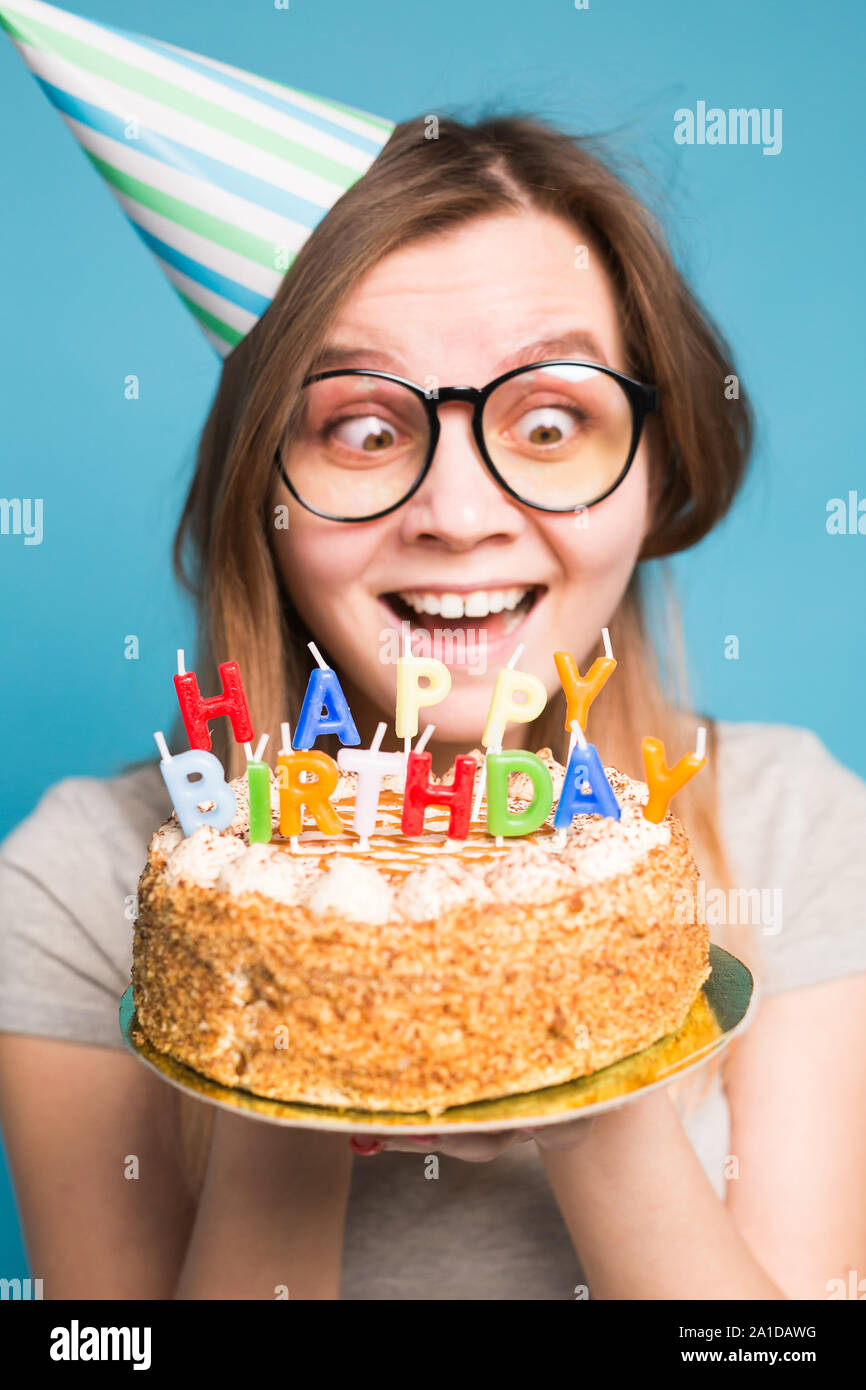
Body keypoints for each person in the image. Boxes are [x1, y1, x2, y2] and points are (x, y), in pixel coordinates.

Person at [1, 116, 865, 1302]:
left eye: (550, 423)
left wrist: (580, 1075)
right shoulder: (75, 885)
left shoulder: (799, 829)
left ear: (655, 466)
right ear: (263, 485)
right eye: (361, 427)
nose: (458, 512)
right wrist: (286, 1046)